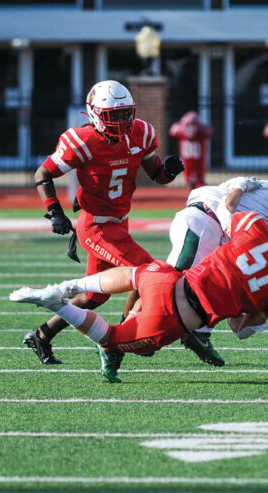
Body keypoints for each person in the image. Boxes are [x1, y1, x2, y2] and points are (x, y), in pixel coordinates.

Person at [11, 211, 268, 383]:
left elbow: (229, 212)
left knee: (136, 273)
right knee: (112, 339)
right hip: (177, 317)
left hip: (171, 278)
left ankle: (67, 286)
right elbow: (241, 329)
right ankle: (57, 305)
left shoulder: (256, 227)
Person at [23, 79, 184, 366]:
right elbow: (43, 173)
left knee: (93, 298)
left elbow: (157, 174)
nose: (122, 122)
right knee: (145, 271)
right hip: (96, 226)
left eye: (126, 113)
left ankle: (42, 335)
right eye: (114, 116)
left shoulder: (142, 133)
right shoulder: (82, 141)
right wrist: (54, 211)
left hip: (120, 223)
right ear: (95, 114)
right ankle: (124, 338)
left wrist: (169, 173)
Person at [166, 170, 268, 363]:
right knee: (168, 280)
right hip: (207, 223)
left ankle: (199, 331)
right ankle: (132, 325)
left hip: (211, 223)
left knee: (215, 285)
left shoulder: (256, 190)